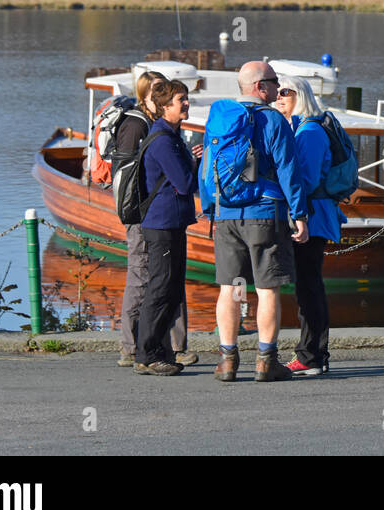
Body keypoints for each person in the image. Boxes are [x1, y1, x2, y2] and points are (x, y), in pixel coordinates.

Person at [199, 61, 310, 382]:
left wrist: (211, 210)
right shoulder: (273, 120)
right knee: (267, 289)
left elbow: (207, 168)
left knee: (230, 289)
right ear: (260, 86)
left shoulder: (221, 119)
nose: (278, 90)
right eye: (274, 82)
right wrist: (299, 213)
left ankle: (228, 361)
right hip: (265, 214)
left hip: (226, 213)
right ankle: (266, 361)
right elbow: (289, 169)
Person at [117, 71, 196, 368]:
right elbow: (185, 183)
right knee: (160, 287)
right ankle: (146, 355)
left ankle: (160, 351)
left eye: (186, 98)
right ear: (164, 107)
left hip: (172, 222)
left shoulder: (172, 135)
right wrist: (194, 161)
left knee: (172, 286)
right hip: (161, 224)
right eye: (181, 100)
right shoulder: (163, 140)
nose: (186, 104)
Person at [273, 75, 342, 376]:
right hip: (310, 213)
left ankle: (312, 355)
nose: (279, 97)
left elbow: (309, 178)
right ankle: (312, 354)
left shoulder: (310, 131)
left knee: (309, 285)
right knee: (307, 285)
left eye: (285, 92)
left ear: (299, 95)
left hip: (312, 215)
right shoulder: (299, 128)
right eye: (277, 92)